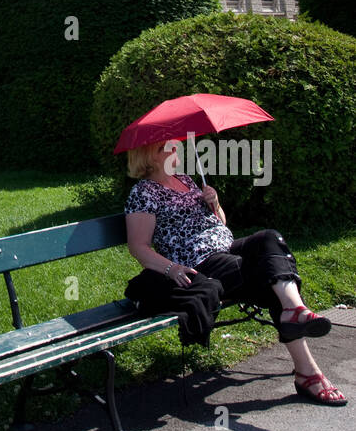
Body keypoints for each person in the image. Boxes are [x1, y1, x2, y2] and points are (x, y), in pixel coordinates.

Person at [124, 141, 346, 405]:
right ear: (150, 157)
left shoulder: (185, 180)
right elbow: (138, 246)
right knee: (270, 278)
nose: (176, 151)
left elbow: (220, 223)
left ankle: (293, 309)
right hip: (199, 261)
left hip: (227, 249)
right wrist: (172, 269)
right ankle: (308, 370)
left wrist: (215, 204)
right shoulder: (144, 193)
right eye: (167, 148)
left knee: (269, 238)